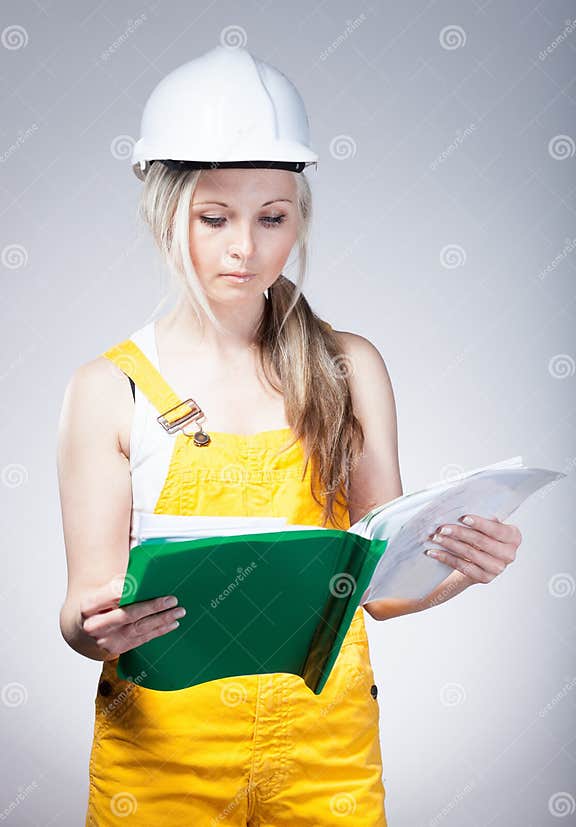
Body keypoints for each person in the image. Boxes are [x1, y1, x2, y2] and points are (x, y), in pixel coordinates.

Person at [57, 45, 523, 826]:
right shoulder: (110, 390)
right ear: (164, 212)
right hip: (162, 753)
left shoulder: (349, 366)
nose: (246, 245)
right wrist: (95, 625)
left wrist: (462, 568)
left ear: (298, 216)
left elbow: (382, 587)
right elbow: (80, 613)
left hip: (325, 746)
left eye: (272, 218)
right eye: (215, 218)